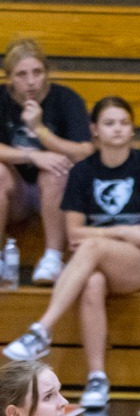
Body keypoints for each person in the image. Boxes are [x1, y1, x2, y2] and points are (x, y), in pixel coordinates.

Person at [3, 98, 140, 411]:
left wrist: (101, 236)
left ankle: (42, 330)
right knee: (93, 281)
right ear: (95, 130)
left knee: (92, 247)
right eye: (110, 123)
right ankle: (97, 377)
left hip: (139, 264)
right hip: (96, 261)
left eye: (124, 122)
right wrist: (122, 232)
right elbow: (73, 234)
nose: (118, 129)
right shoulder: (84, 171)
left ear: (133, 128)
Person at [0, 42, 92, 287]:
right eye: (21, 74)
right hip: (15, 192)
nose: (31, 82)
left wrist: (40, 132)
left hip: (54, 195)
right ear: (9, 78)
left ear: (46, 73)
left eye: (37, 73)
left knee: (56, 170)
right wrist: (32, 156)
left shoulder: (65, 99)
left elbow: (84, 152)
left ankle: (52, 258)